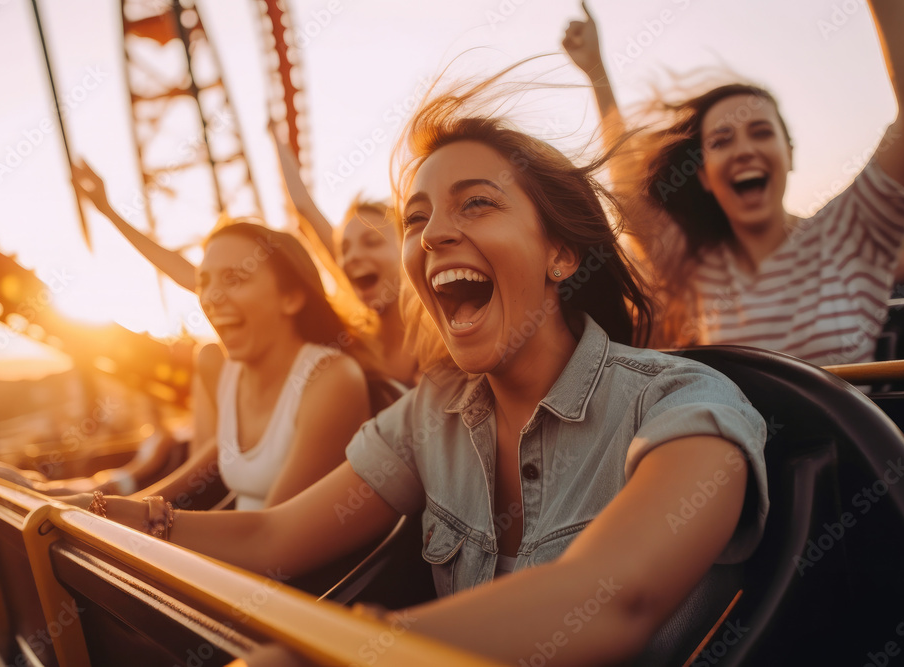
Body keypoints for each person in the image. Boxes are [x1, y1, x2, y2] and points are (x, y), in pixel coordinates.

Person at [73, 72, 769, 666]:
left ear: (560, 254)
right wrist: (106, 514)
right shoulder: (430, 416)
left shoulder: (684, 404)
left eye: (477, 203)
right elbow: (273, 536)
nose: (433, 234)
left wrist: (342, 651)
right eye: (416, 217)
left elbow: (615, 597)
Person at [563, 0, 904, 364]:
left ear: (789, 154)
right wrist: (596, 71)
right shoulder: (697, 264)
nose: (743, 150)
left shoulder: (851, 229)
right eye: (721, 141)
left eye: (760, 132)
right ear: (704, 176)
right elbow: (630, 194)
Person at [0, 204, 375, 510]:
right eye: (205, 282)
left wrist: (103, 510)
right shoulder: (224, 370)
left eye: (235, 279)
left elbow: (270, 535)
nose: (212, 298)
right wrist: (64, 498)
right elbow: (198, 470)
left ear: (291, 297)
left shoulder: (331, 378)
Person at [270, 122, 419, 385]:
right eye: (344, 249)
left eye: (372, 242)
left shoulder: (442, 332)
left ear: (409, 247)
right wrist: (275, 137)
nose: (352, 258)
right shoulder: (354, 344)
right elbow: (303, 207)